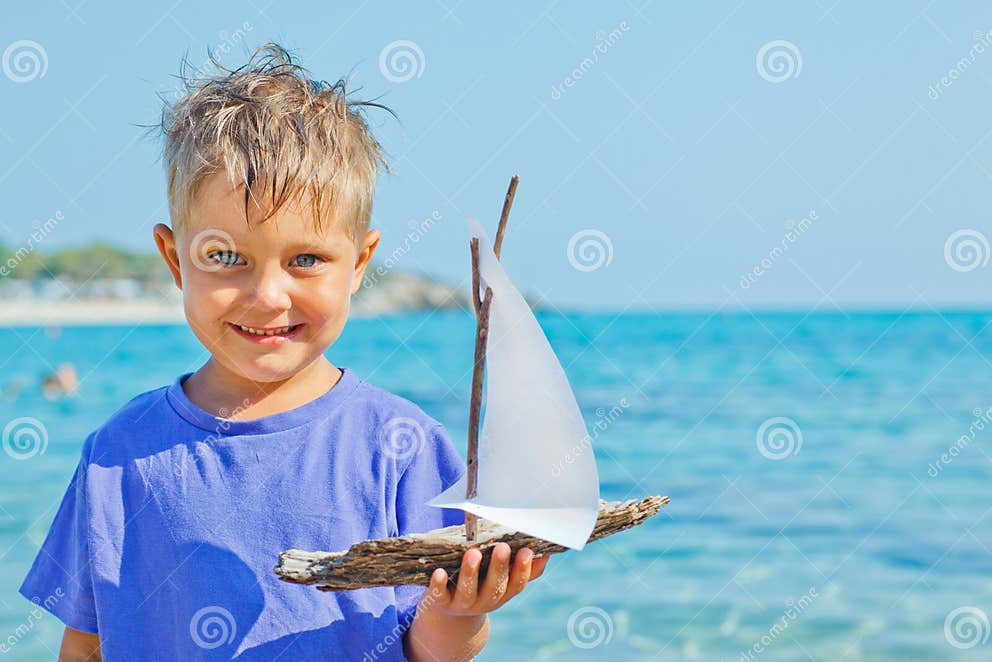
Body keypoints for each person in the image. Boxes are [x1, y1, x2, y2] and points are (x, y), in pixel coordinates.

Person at [19, 43, 548, 661]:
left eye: (306, 260)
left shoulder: (402, 446)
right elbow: (86, 645)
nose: (268, 296)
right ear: (173, 259)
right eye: (225, 258)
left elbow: (431, 650)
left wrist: (461, 610)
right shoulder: (119, 454)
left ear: (359, 263)